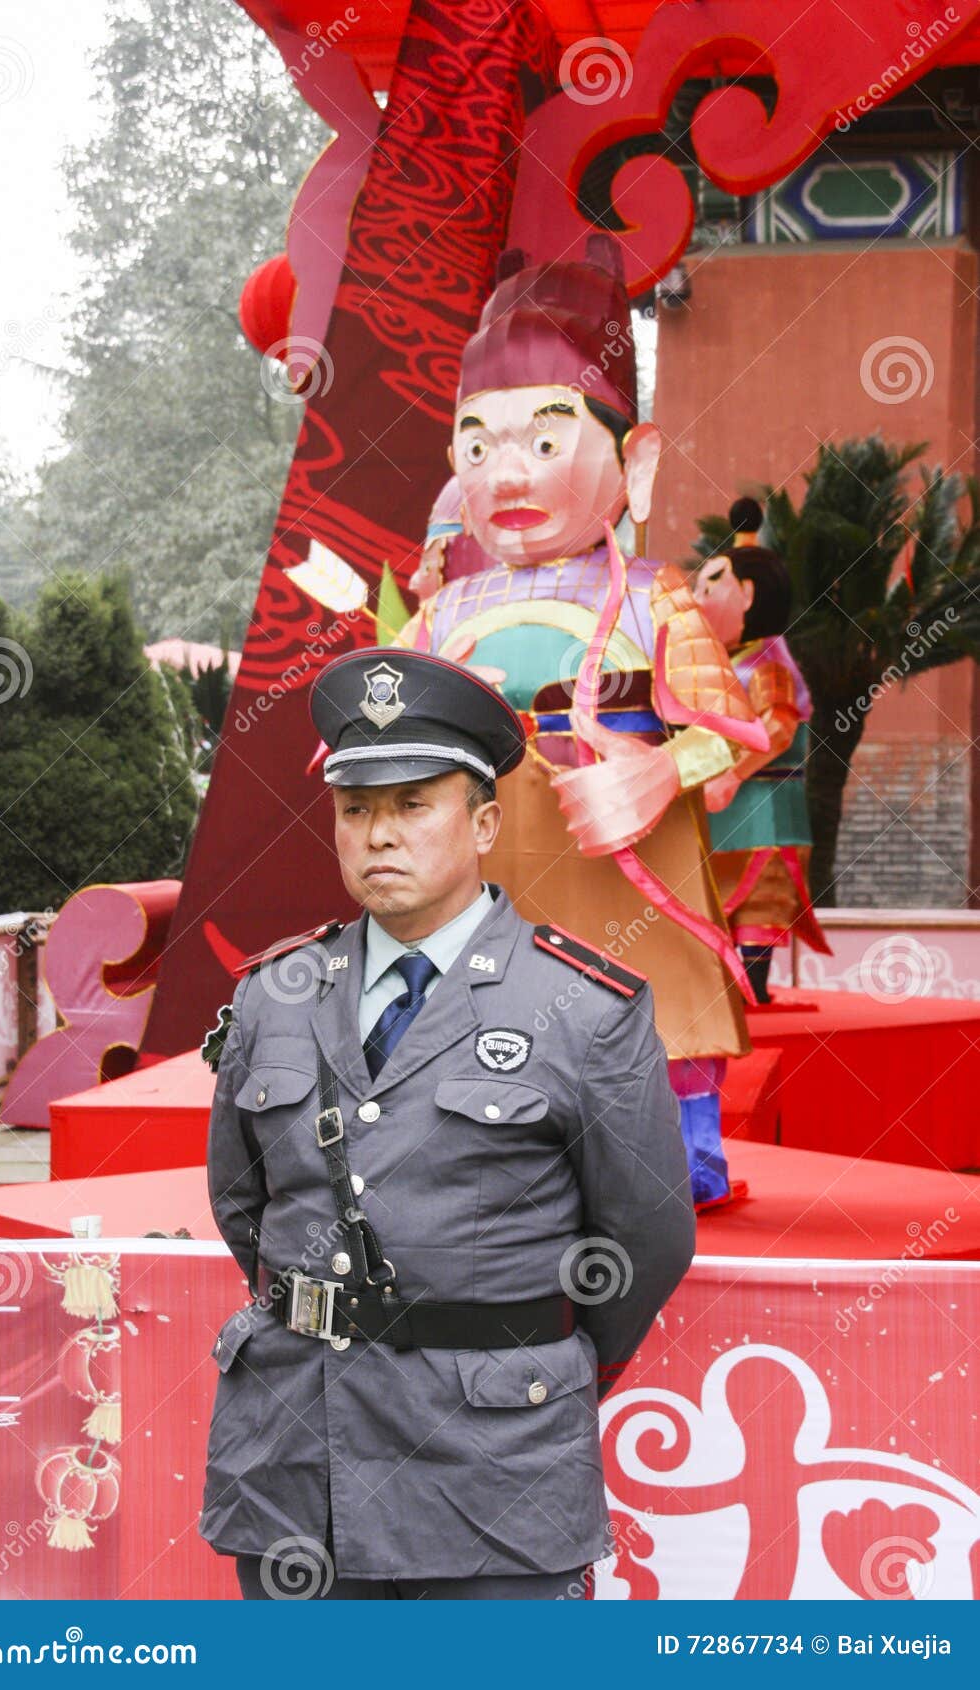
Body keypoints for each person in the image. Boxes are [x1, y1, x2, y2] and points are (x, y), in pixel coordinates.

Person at [198, 646, 695, 1600]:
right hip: (299, 1463)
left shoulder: (584, 1005)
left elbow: (646, 1236)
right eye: (356, 811)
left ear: (483, 822)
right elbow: (243, 1206)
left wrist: (529, 1353)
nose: (378, 836)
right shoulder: (276, 995)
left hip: (494, 1470)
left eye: (412, 805)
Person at [395, 239, 770, 1208]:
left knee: (657, 995)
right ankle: (496, 1152)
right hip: (490, 850)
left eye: (545, 440)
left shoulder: (657, 598)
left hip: (622, 838)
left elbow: (732, 732)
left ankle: (685, 1144)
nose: (507, 474)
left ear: (630, 460)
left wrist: (654, 771)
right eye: (478, 447)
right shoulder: (442, 613)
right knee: (489, 1004)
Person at [693, 498, 831, 1003]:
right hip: (726, 813)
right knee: (722, 902)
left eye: (711, 584)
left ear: (747, 594)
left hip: (764, 808)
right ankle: (730, 990)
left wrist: (730, 775)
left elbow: (777, 728)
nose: (698, 596)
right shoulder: (728, 664)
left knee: (759, 900)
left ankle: (752, 989)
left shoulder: (768, 665)